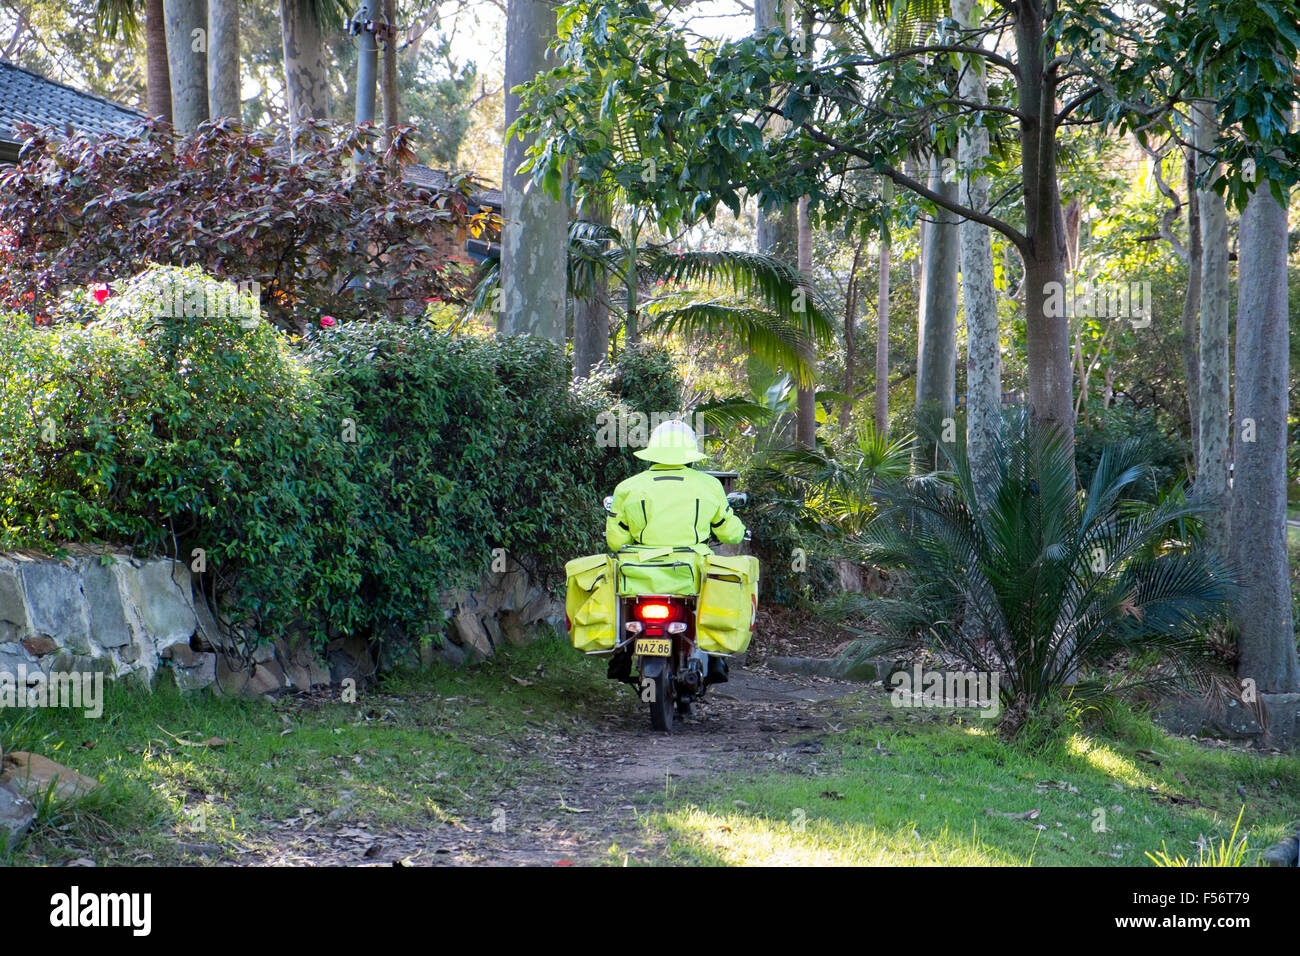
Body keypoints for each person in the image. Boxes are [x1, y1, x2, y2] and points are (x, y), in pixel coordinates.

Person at [604, 419, 745, 686]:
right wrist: (738, 529)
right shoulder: (709, 486)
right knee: (718, 589)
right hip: (689, 570)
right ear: (690, 455)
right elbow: (730, 533)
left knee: (618, 589)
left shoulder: (628, 487)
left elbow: (615, 540)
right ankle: (715, 656)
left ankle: (622, 651)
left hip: (638, 572)